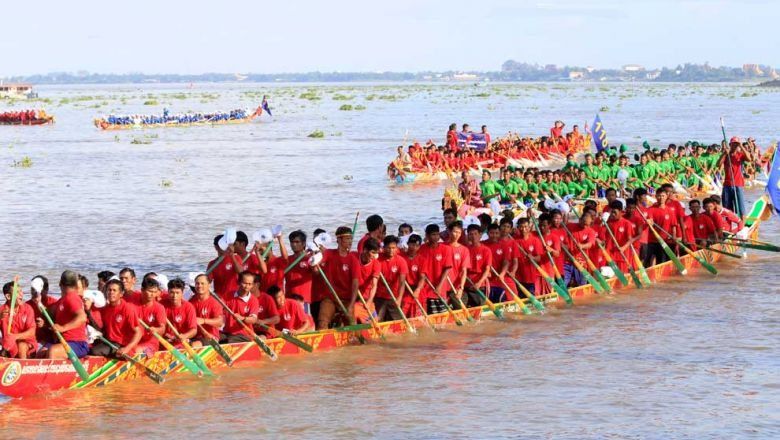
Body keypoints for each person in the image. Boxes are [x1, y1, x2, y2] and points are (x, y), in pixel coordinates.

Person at [317, 226, 360, 329]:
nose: (350, 241)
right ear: (339, 240)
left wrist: (351, 305)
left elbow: (355, 284)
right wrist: (315, 258)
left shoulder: (353, 260)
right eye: (347, 238)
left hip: (346, 299)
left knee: (351, 326)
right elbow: (318, 262)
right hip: (330, 298)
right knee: (322, 323)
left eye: (351, 238)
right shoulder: (328, 254)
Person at [40, 271, 89, 359]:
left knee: (53, 351)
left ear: (60, 283)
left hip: (77, 343)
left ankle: (53, 372)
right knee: (41, 354)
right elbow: (48, 312)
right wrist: (38, 302)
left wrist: (63, 328)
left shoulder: (72, 298)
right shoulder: (62, 300)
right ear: (76, 285)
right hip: (62, 341)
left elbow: (82, 318)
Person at [90, 279, 144, 357]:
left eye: (114, 290)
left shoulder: (128, 309)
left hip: (122, 345)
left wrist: (127, 348)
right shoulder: (105, 308)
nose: (111, 292)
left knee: (94, 351)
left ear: (121, 294)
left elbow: (139, 332)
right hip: (109, 342)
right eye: (109, 290)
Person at [209, 231, 261, 300]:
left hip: (234, 297)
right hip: (219, 298)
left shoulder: (236, 258)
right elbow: (207, 282)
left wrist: (232, 255)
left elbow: (241, 272)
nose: (225, 247)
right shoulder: (212, 263)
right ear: (216, 247)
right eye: (222, 245)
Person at [417, 224, 453, 314]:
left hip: (439, 287)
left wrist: (439, 286)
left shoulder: (446, 249)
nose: (436, 237)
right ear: (427, 236)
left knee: (440, 314)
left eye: (437, 234)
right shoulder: (421, 248)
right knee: (426, 313)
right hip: (425, 287)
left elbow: (447, 269)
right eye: (433, 235)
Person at [717, 137, 754, 218]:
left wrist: (741, 146)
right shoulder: (726, 154)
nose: (735, 145)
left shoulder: (740, 154)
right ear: (730, 144)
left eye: (736, 144)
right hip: (727, 184)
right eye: (733, 144)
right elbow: (718, 164)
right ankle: (729, 226)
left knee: (741, 209)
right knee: (727, 210)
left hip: (738, 184)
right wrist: (724, 153)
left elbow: (749, 159)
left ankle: (742, 226)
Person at [376, 235, 410, 322]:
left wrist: (399, 299)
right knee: (378, 320)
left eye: (393, 248)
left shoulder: (401, 261)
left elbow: (402, 282)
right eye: (388, 248)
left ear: (396, 248)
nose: (391, 250)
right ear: (384, 247)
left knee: (398, 321)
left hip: (394, 296)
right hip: (379, 296)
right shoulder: (377, 259)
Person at [220, 271, 260, 343]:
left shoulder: (253, 300)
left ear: (252, 285)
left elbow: (253, 319)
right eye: (244, 283)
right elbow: (219, 308)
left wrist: (242, 318)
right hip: (227, 332)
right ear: (238, 282)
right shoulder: (227, 295)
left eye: (249, 284)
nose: (247, 286)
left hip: (245, 335)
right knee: (215, 338)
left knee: (227, 341)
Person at [1, 282, 37, 358]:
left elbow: (32, 332)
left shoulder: (28, 309)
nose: (21, 294)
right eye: (17, 292)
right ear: (8, 296)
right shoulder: (1, 311)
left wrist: (14, 337)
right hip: (9, 345)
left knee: (21, 346)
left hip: (27, 344)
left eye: (21, 291)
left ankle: (23, 368)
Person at [189, 273, 225, 346]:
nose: (199, 286)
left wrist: (203, 321)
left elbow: (220, 322)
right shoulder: (191, 301)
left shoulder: (214, 302)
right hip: (193, 335)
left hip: (210, 336)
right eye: (197, 283)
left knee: (194, 345)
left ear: (209, 285)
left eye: (202, 283)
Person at [163, 278, 199, 348]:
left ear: (182, 293)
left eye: (177, 293)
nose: (174, 296)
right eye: (172, 292)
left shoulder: (188, 307)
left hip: (181, 341)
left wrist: (185, 336)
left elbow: (194, 330)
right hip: (165, 340)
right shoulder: (161, 305)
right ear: (168, 292)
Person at [284, 230, 314, 312]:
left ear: (304, 243)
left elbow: (316, 272)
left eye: (297, 242)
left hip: (304, 299)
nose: (294, 244)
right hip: (289, 298)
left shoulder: (309, 259)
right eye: (292, 242)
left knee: (305, 322)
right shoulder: (287, 260)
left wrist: (314, 257)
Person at [136, 278, 167, 355]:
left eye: (155, 292)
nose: (152, 294)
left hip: (151, 342)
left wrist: (156, 330)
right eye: (150, 291)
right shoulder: (132, 305)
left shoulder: (159, 308)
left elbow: (162, 329)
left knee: (135, 350)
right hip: (134, 340)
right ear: (142, 290)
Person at [464, 224, 491, 306]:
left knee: (479, 308)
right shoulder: (465, 250)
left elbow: (487, 269)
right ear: (468, 236)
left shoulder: (486, 250)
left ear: (480, 235)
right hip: (467, 283)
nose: (473, 236)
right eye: (471, 234)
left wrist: (479, 283)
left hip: (480, 285)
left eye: (476, 234)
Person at [514, 218, 542, 295]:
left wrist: (533, 258)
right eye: (521, 227)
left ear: (529, 227)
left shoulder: (535, 240)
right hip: (518, 277)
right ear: (518, 228)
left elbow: (539, 258)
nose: (523, 229)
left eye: (526, 227)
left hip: (531, 277)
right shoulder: (514, 241)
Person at [27, 275, 57, 344]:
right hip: (32, 341)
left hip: (50, 341)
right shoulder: (26, 305)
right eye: (32, 289)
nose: (34, 292)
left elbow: (59, 326)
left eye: (36, 289)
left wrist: (45, 325)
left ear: (46, 290)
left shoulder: (54, 303)